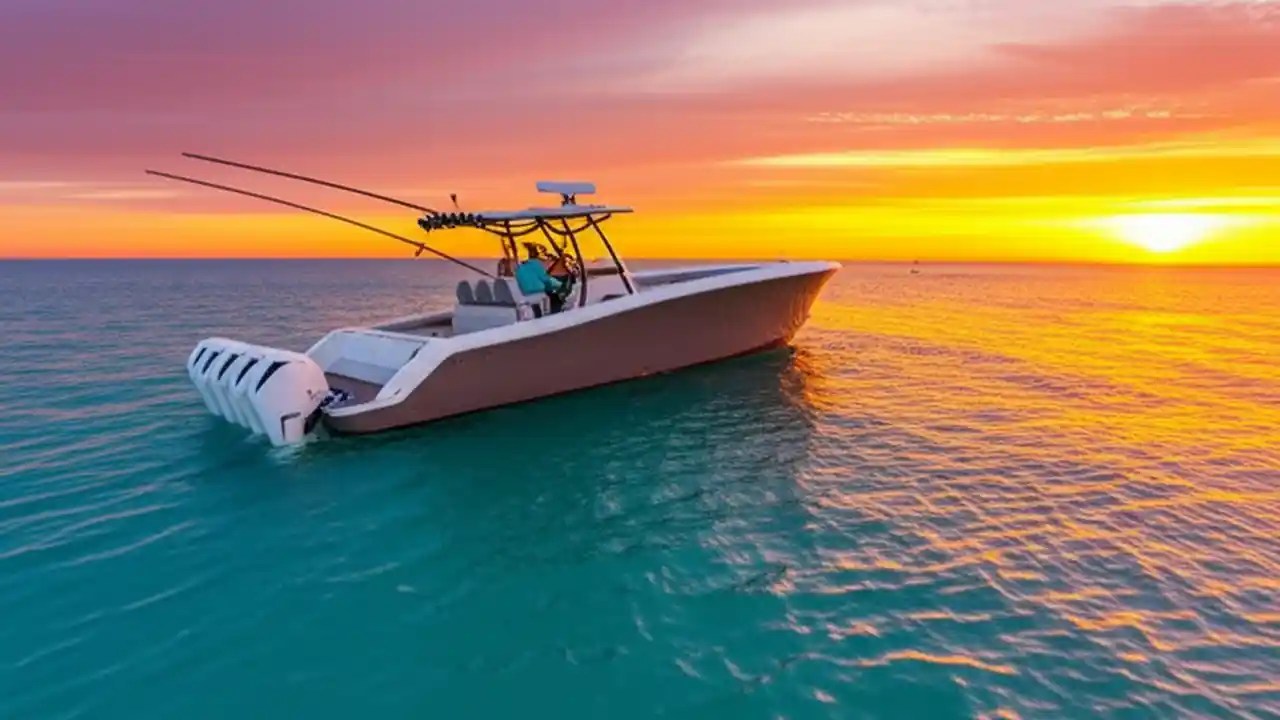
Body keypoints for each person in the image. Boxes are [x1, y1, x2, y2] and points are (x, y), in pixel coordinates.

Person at [515, 243, 571, 312]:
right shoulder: (535, 264)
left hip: (525, 291)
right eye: (543, 253)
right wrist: (559, 285)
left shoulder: (522, 265)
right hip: (535, 291)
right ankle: (555, 315)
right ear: (536, 255)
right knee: (555, 296)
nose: (545, 255)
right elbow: (545, 279)